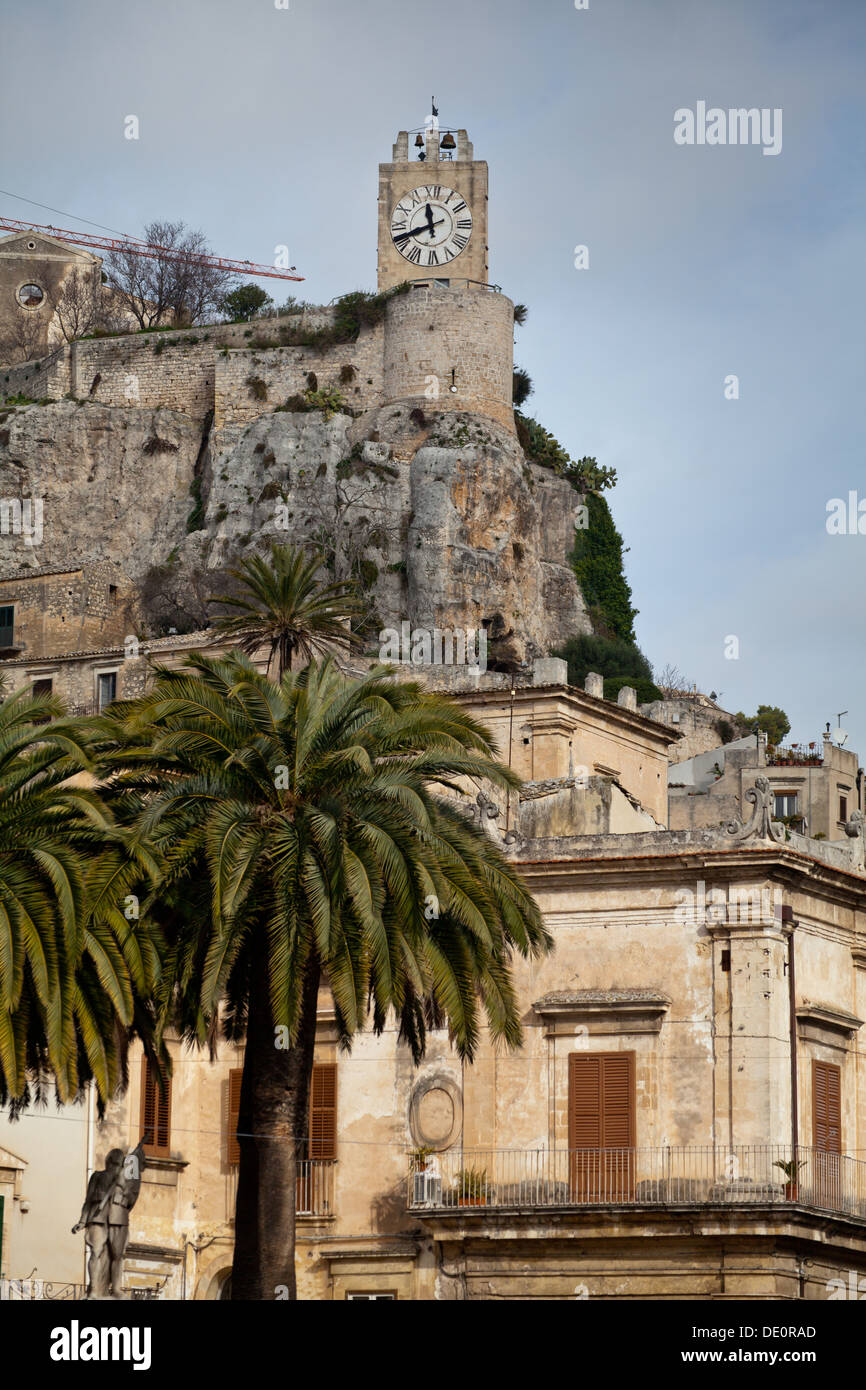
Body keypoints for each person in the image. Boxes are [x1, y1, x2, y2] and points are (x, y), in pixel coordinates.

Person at [72, 1141, 145, 1299]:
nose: (114, 1166)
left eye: (117, 1163)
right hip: (97, 1217)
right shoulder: (97, 1176)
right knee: (96, 1252)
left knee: (118, 1255)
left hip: (118, 1217)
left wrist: (122, 1188)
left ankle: (117, 1289)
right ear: (108, 1162)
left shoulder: (127, 1179)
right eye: (113, 1162)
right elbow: (88, 1200)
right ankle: (94, 1290)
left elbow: (132, 1199)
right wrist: (82, 1222)